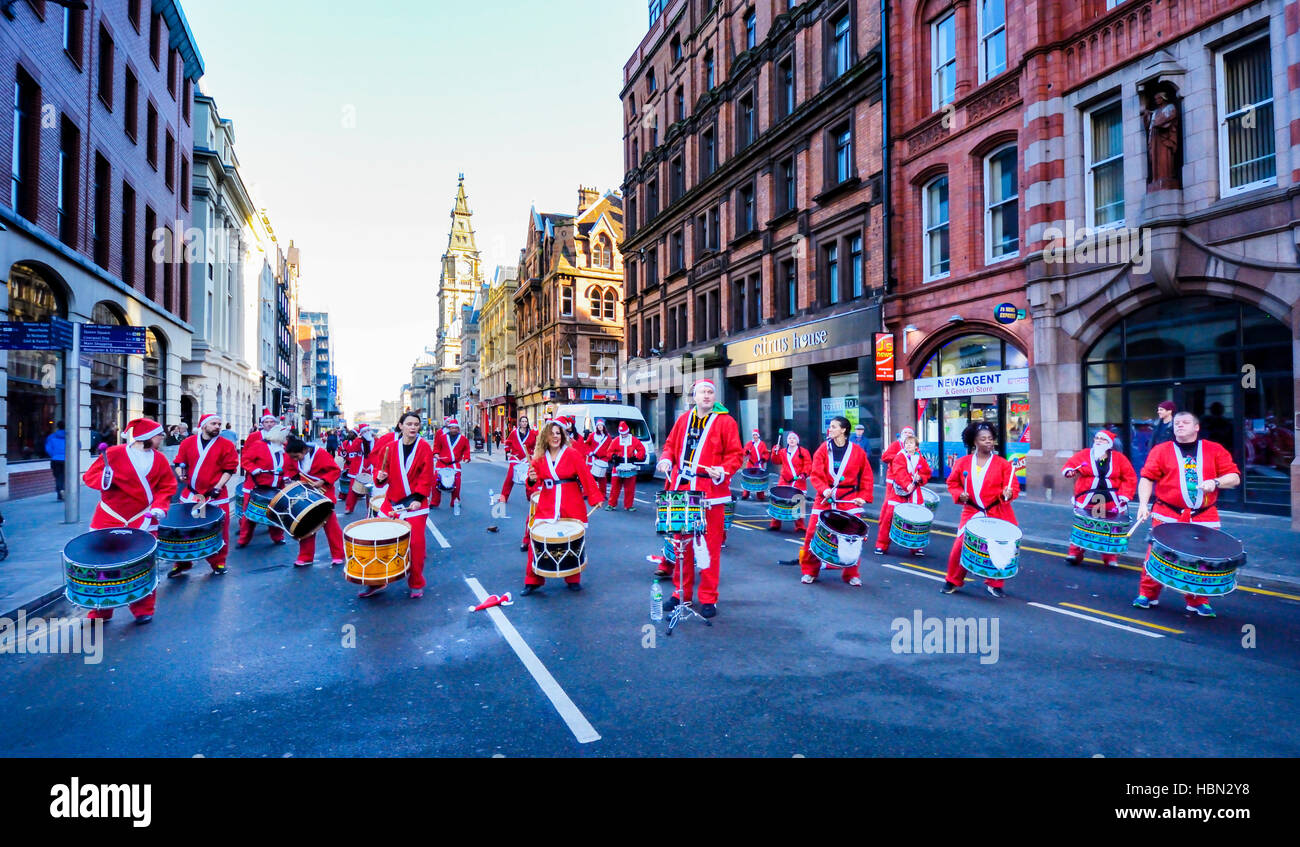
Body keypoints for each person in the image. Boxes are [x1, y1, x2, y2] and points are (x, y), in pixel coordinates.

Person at [1132, 411, 1241, 617]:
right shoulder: (1161, 450)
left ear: (1196, 427)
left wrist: (1216, 482)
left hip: (1204, 515)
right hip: (1167, 513)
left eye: (1185, 422)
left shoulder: (1214, 449)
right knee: (1157, 555)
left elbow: (1234, 477)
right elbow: (1147, 478)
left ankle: (1198, 600)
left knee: (1201, 560)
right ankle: (1147, 594)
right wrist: (1143, 504)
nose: (1179, 425)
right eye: (1176, 423)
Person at [655, 378, 743, 618]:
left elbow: (736, 455)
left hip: (710, 493)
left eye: (710, 392)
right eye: (702, 392)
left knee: (709, 547)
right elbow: (671, 446)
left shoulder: (726, 422)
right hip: (682, 489)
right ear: (693, 396)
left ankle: (708, 598)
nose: (706, 396)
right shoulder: (683, 420)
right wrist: (665, 459)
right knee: (681, 545)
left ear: (714, 397)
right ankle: (680, 593)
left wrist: (723, 470)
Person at [80, 418, 177, 624]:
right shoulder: (113, 454)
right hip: (109, 516)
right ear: (146, 437)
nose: (162, 438)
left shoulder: (159, 459)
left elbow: (167, 486)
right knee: (103, 566)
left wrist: (160, 506)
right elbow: (90, 477)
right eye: (159, 435)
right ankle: (100, 611)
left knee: (143, 565)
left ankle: (143, 609)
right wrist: (105, 479)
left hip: (144, 517)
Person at [521, 420, 604, 595]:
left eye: (558, 433)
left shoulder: (572, 454)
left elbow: (586, 476)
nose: (555, 436)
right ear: (545, 436)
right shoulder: (539, 458)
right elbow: (531, 484)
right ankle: (532, 580)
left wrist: (595, 496)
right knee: (536, 539)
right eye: (551, 433)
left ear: (563, 435)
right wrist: (531, 479)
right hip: (547, 502)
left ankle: (573, 579)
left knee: (573, 540)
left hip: (570, 501)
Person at [942, 422, 1020, 598]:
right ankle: (952, 580)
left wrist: (1008, 493)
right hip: (972, 511)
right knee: (960, 546)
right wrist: (959, 494)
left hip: (997, 511)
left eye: (990, 439)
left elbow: (1013, 487)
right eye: (983, 439)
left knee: (999, 548)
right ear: (974, 442)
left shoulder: (1003, 464)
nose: (988, 442)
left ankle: (995, 583)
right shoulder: (963, 462)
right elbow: (952, 483)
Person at [797, 417, 873, 586]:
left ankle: (851, 573)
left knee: (853, 537)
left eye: (833, 427)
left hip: (849, 497)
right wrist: (823, 488)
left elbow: (866, 475)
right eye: (830, 426)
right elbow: (815, 473)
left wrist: (864, 496)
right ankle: (810, 571)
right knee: (812, 534)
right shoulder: (823, 450)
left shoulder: (857, 452)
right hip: (825, 497)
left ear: (843, 430)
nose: (829, 429)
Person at [369, 412, 436, 599]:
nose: (413, 427)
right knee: (378, 541)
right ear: (400, 426)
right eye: (409, 424)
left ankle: (416, 582)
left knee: (415, 544)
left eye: (416, 424)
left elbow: (427, 475)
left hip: (415, 503)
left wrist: (418, 497)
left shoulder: (424, 448)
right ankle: (376, 580)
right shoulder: (390, 448)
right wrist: (379, 477)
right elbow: (380, 472)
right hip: (391, 501)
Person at [169, 412, 240, 577]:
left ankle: (218, 562)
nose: (217, 427)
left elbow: (229, 469)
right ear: (203, 426)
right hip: (192, 496)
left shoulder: (226, 445)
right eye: (214, 424)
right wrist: (180, 473)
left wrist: (218, 486)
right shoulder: (188, 443)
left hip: (214, 496)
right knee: (185, 531)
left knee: (218, 530)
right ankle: (182, 562)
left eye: (219, 424)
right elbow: (180, 463)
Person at [1061, 429, 1137, 567]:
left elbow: (1129, 477)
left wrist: (1125, 495)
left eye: (1102, 439)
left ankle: (1110, 558)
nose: (1098, 441)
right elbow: (1070, 466)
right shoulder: (1084, 454)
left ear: (1109, 443)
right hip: (1088, 497)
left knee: (1109, 529)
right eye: (1097, 438)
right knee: (1084, 526)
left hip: (1110, 500)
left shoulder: (1119, 458)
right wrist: (1069, 472)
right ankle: (1075, 553)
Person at [284, 435, 346, 568]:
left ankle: (338, 554)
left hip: (324, 493)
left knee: (331, 526)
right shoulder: (292, 456)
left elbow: (335, 470)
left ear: (305, 451)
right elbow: (290, 469)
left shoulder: (321, 454)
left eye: (296, 457)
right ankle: (305, 556)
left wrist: (322, 481)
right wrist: (291, 479)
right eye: (292, 457)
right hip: (306, 493)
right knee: (306, 525)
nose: (294, 460)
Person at [237, 415, 291, 548]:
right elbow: (245, 460)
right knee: (249, 514)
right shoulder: (258, 445)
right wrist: (254, 469)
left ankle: (278, 537)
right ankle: (243, 540)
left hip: (275, 487)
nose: (286, 438)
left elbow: (289, 464)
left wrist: (286, 475)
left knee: (275, 514)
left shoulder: (283, 448)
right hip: (255, 486)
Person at [875, 433, 932, 556]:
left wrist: (920, 477)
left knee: (916, 519)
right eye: (906, 443)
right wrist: (907, 484)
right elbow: (898, 472)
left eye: (911, 443)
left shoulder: (920, 457)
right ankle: (881, 544)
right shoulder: (900, 457)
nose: (908, 445)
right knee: (889, 518)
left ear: (916, 446)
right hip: (899, 492)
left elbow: (927, 472)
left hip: (914, 493)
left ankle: (916, 547)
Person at [768, 430, 812, 532]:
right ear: (787, 441)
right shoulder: (782, 451)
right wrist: (775, 451)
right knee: (779, 501)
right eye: (789, 438)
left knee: (798, 502)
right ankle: (775, 524)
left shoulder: (803, 452)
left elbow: (808, 464)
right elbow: (775, 461)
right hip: (784, 480)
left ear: (797, 441)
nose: (791, 440)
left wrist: (804, 474)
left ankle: (800, 526)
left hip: (798, 480)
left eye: (793, 438)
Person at [599, 421, 646, 511]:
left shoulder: (634, 440)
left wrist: (636, 457)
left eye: (625, 434)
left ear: (628, 432)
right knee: (614, 487)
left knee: (630, 488)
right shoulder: (616, 440)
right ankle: (611, 504)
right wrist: (614, 456)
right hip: (618, 467)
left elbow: (641, 450)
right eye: (622, 434)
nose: (623, 435)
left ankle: (628, 505)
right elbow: (609, 452)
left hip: (630, 467)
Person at [431, 416, 471, 515]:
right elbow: (436, 447)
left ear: (458, 429)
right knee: (435, 483)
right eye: (452, 428)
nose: (453, 429)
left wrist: (466, 457)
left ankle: (455, 501)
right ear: (449, 428)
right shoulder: (442, 438)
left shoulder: (463, 439)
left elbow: (466, 449)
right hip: (442, 463)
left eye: (455, 428)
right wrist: (436, 454)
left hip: (454, 465)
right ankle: (434, 502)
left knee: (457, 483)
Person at [342, 427, 370, 515]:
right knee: (353, 489)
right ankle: (349, 507)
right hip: (358, 467)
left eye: (368, 431)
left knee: (371, 491)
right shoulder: (358, 441)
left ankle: (370, 509)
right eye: (364, 431)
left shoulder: (375, 440)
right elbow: (353, 449)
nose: (366, 433)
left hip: (371, 467)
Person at [587, 419, 614, 499]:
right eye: (598, 426)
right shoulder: (592, 435)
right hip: (592, 459)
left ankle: (603, 493)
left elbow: (611, 448)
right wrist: (589, 452)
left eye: (601, 425)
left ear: (604, 426)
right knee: (590, 477)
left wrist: (607, 457)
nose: (600, 427)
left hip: (602, 460)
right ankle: (590, 493)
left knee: (602, 478)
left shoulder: (608, 437)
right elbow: (586, 445)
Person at [739, 429, 769, 501]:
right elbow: (744, 452)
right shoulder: (750, 444)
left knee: (760, 479)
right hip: (750, 464)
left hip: (759, 464)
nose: (755, 436)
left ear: (758, 436)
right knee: (748, 479)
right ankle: (746, 494)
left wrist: (763, 459)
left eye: (756, 435)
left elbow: (766, 453)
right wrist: (747, 452)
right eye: (754, 435)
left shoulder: (762, 444)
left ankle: (760, 495)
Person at [45, 421, 66, 501]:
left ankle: (60, 492)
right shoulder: (71, 436)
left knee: (58, 477)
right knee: (66, 477)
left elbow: (48, 448)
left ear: (57, 426)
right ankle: (63, 490)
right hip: (67, 460)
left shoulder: (51, 437)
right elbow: (78, 446)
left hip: (55, 459)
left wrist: (54, 455)